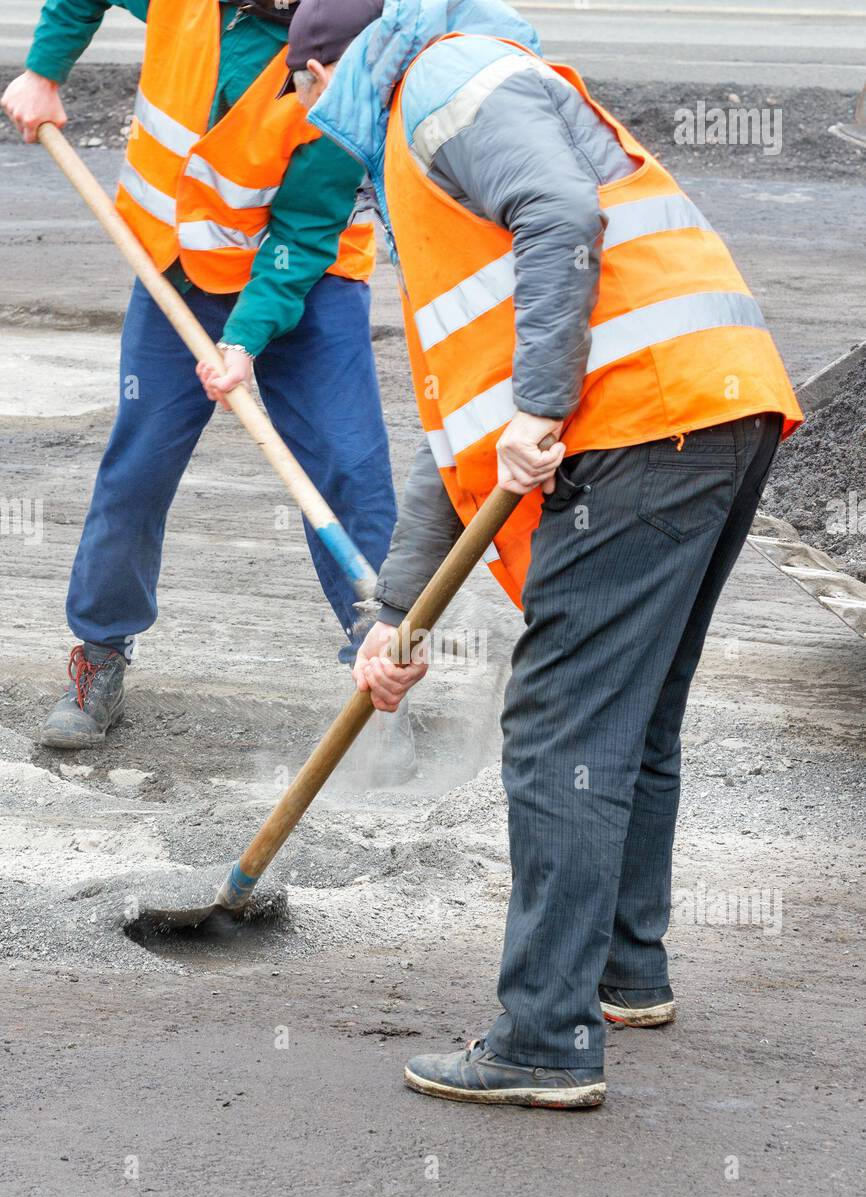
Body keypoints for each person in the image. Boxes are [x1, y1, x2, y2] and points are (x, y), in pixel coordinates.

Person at [288, 0, 803, 1108]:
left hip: (643, 424)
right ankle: (622, 969)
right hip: (707, 403)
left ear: (325, 67)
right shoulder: (432, 148)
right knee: (633, 710)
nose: (307, 125)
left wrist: (538, 400)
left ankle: (543, 1038)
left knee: (558, 725)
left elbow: (560, 210)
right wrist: (394, 618)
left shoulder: (433, 80)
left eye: (300, 95)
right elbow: (455, 446)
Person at [2, 0, 409, 778]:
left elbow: (302, 233)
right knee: (138, 467)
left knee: (352, 474)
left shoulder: (338, 52)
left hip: (309, 283)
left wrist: (244, 343)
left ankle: (380, 681)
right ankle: (99, 655)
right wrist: (44, 72)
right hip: (176, 276)